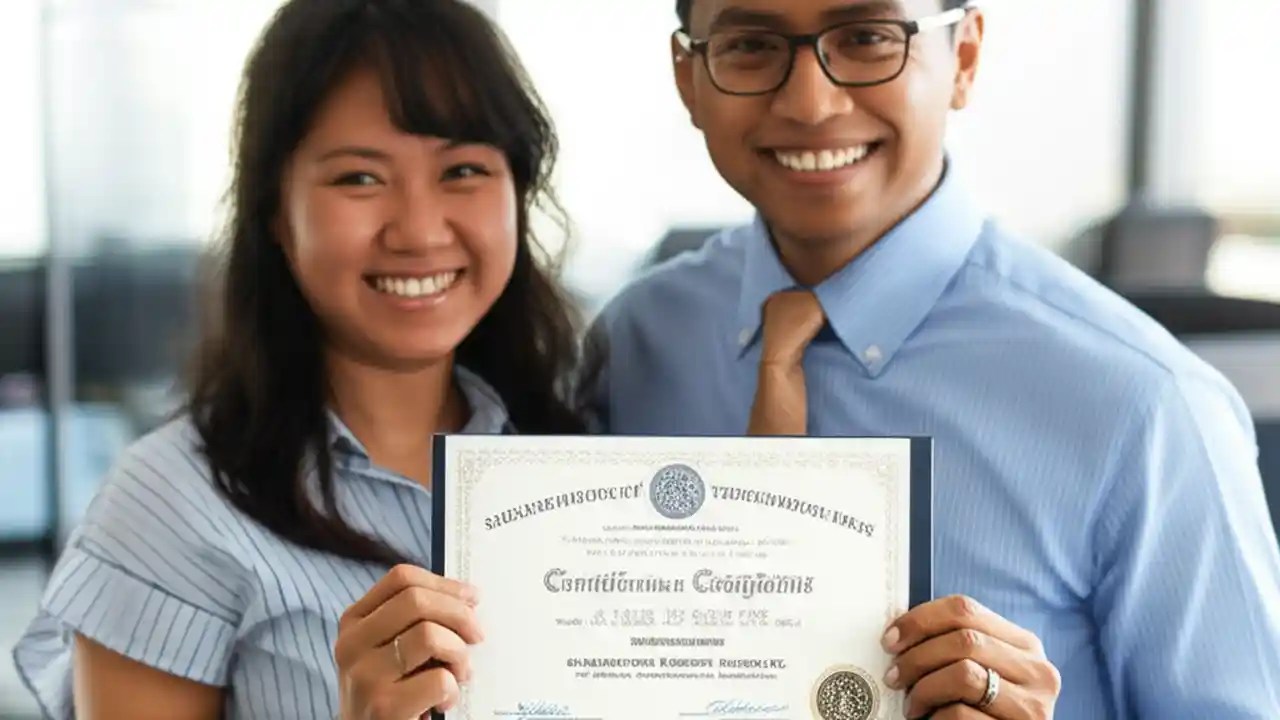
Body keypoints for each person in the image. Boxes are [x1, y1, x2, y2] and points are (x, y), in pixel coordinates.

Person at [584, 0, 1280, 718]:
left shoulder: (1149, 403)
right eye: (750, 45)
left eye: (866, 38)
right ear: (688, 76)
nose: (810, 103)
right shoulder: (636, 342)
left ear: (965, 58)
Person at [13, 0, 584, 717]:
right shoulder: (172, 503)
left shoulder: (583, 447)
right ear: (277, 214)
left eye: (463, 170)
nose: (417, 230)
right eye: (359, 179)